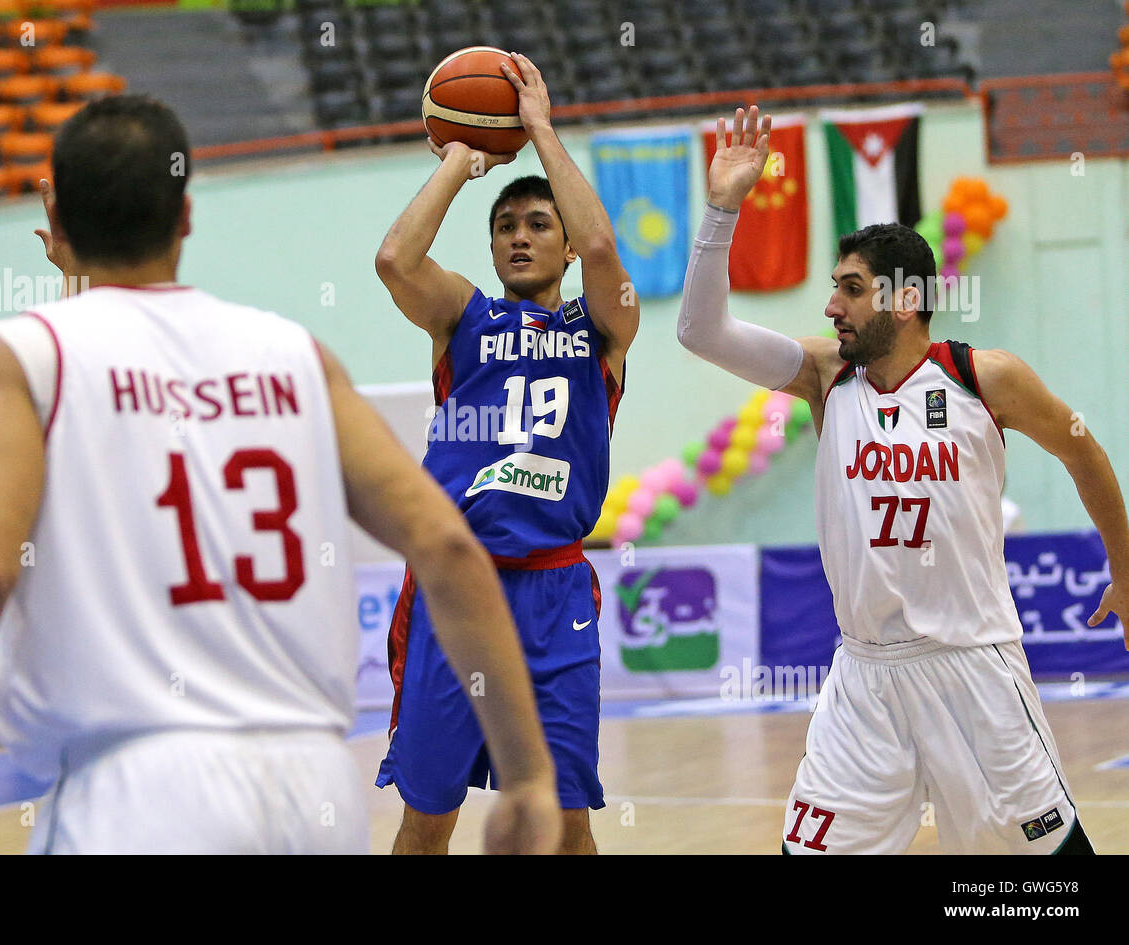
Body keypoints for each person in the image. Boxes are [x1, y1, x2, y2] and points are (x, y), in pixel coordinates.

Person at [0, 94, 561, 855]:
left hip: (134, 784)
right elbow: (447, 548)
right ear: (186, 215)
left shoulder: (14, 356)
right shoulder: (296, 355)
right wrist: (529, 775)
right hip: (309, 788)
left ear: (64, 216)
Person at [677, 106, 1127, 854]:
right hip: (864, 678)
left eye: (851, 288)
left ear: (904, 298)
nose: (831, 305)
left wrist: (1125, 561)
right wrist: (724, 206)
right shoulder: (826, 376)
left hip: (975, 673)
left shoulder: (985, 377)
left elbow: (1084, 451)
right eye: (834, 288)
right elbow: (700, 331)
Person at [373, 54, 637, 854]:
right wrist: (462, 155)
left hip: (556, 589)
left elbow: (599, 240)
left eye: (536, 226)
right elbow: (394, 261)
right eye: (505, 227)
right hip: (460, 585)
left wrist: (539, 131)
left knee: (564, 820)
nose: (519, 237)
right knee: (428, 816)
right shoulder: (463, 315)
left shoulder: (602, 330)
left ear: (562, 249)